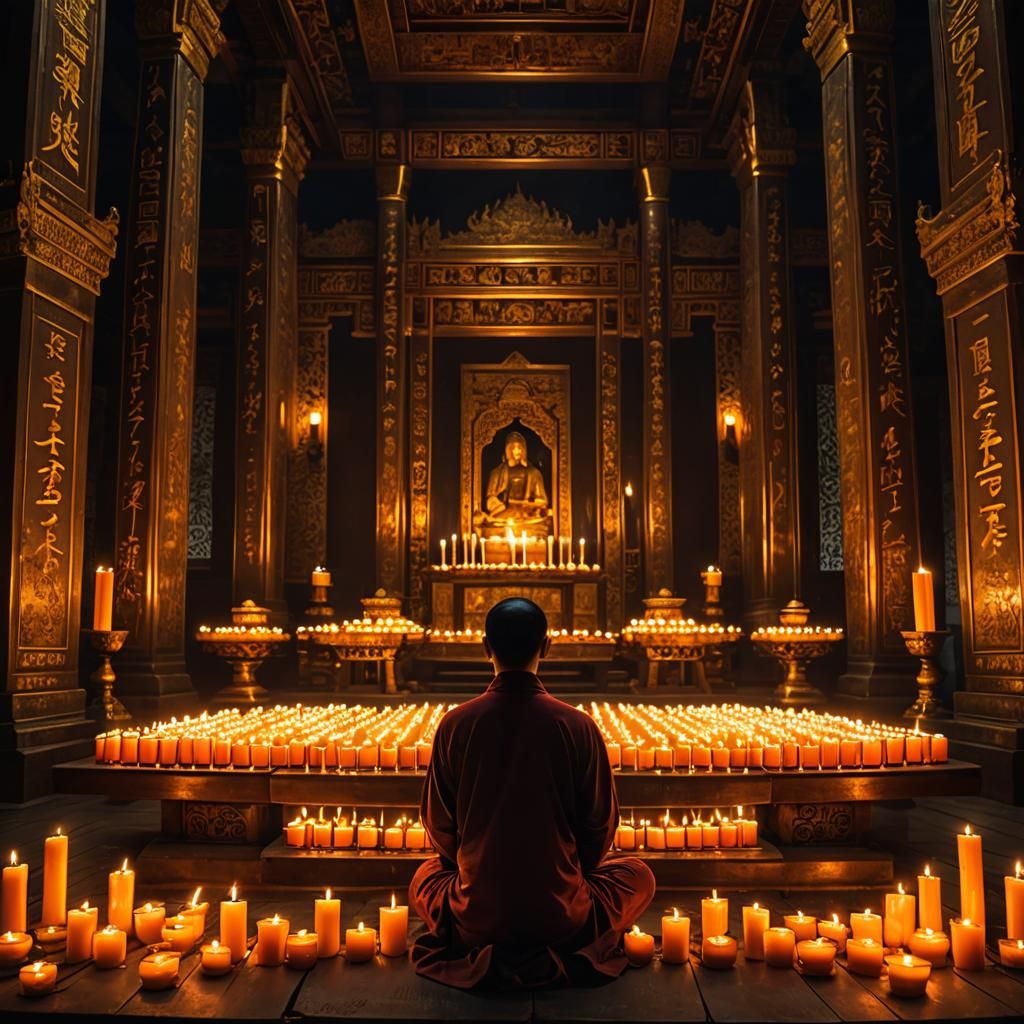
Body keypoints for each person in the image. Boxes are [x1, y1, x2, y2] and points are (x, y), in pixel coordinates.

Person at [408, 598, 655, 989]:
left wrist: (472, 870)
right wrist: (569, 879)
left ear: (485, 647)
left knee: (424, 876)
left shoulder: (455, 725)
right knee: (638, 875)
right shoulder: (578, 725)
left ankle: (474, 923)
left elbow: (438, 824)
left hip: (476, 916)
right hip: (562, 917)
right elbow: (600, 825)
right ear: (547, 646)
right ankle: (569, 928)